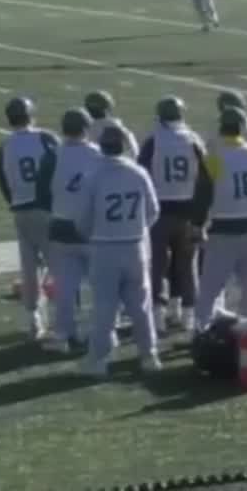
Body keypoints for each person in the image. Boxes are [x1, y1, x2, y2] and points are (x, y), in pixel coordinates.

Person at [78, 124, 161, 377]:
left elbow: (83, 219)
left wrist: (93, 235)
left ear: (102, 147)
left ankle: (98, 360)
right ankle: (149, 355)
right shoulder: (138, 172)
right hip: (135, 246)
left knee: (104, 307)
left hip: (104, 247)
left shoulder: (93, 175)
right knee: (141, 307)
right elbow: (153, 211)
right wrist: (137, 230)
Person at [192, 106, 247, 328]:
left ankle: (201, 328)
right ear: (242, 128)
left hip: (223, 229)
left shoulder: (213, 158)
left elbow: (202, 195)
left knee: (210, 287)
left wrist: (197, 225)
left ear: (221, 128)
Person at [136, 97, 210, 334]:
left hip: (160, 211)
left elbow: (140, 175)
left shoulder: (153, 140)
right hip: (187, 211)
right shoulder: (193, 139)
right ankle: (188, 313)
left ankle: (158, 314)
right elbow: (206, 179)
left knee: (157, 265)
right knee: (187, 265)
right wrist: (200, 217)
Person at [40, 108, 103, 354]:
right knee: (96, 286)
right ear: (87, 128)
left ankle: (63, 334)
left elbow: (42, 193)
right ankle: (91, 332)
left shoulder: (53, 155)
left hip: (61, 225)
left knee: (65, 287)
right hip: (92, 227)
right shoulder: (97, 154)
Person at [0, 96, 58, 341]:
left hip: (21, 210)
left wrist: (14, 202)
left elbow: (3, 181)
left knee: (29, 267)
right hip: (46, 209)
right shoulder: (45, 138)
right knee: (59, 266)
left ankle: (34, 319)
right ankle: (65, 322)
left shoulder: (6, 145)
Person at [86, 91, 137, 158]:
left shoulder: (82, 131)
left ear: (87, 109)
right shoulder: (121, 130)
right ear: (109, 108)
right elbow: (134, 153)